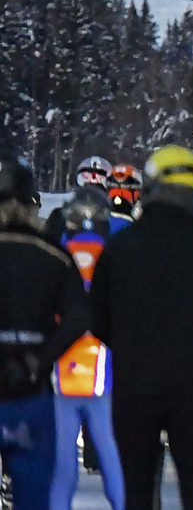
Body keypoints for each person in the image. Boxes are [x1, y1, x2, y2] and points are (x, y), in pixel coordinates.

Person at [91, 146, 193, 510]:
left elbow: (96, 314)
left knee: (137, 489)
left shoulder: (122, 244)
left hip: (135, 383)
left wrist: (128, 345)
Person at [0, 158, 92, 510]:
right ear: (29, 204)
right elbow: (79, 316)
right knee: (34, 497)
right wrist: (42, 357)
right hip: (31, 390)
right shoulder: (53, 255)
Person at [48, 188, 125, 510]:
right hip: (105, 366)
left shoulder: (55, 256)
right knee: (111, 451)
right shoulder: (116, 257)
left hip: (61, 364)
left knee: (63, 457)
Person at [40, 155, 111, 245]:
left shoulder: (113, 217)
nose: (90, 196)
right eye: (87, 187)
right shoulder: (60, 216)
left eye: (97, 187)